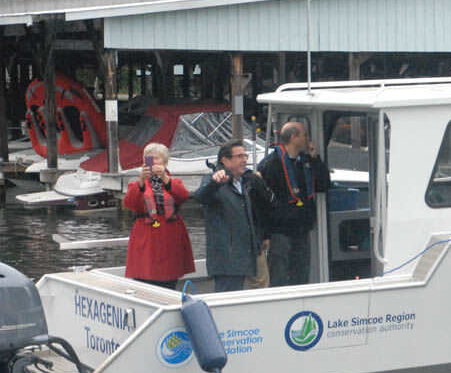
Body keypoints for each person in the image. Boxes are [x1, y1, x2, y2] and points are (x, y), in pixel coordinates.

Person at [257, 121, 331, 286]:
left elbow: (323, 185)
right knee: (279, 276)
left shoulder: (307, 161)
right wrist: (265, 235)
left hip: (302, 229)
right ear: (294, 138)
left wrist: (315, 158)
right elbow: (261, 204)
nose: (308, 139)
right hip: (279, 231)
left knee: (301, 275)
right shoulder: (270, 165)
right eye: (304, 135)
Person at [122, 142, 195, 290]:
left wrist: (164, 177)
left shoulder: (174, 182)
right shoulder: (136, 184)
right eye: (148, 159)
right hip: (146, 236)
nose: (152, 162)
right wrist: (141, 180)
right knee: (144, 277)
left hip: (170, 235)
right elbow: (129, 203)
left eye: (156, 158)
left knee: (169, 275)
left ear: (165, 162)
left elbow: (183, 196)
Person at [193, 141, 262, 293]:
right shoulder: (215, 181)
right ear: (225, 160)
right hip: (227, 260)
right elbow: (200, 196)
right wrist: (214, 182)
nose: (244, 159)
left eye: (245, 155)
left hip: (244, 258)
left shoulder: (243, 183)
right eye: (239, 156)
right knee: (226, 304)